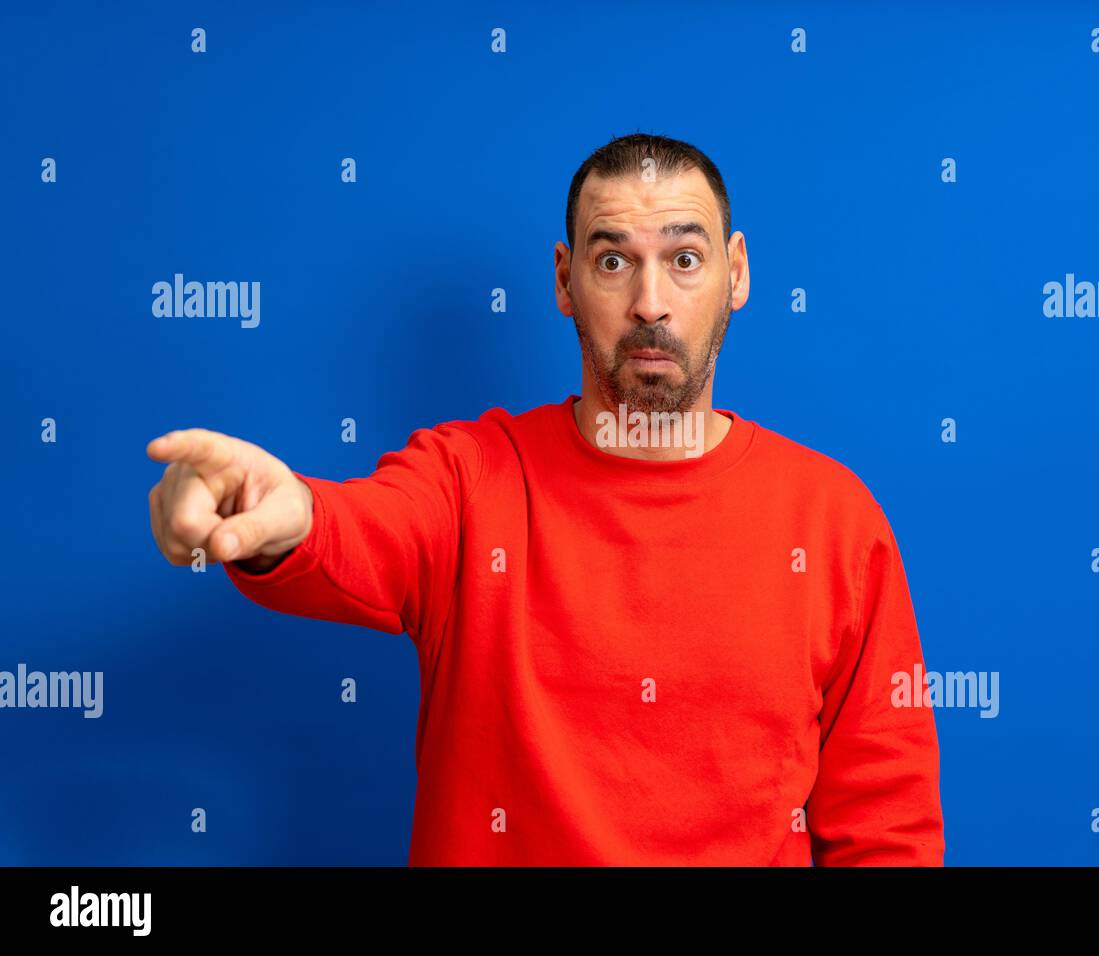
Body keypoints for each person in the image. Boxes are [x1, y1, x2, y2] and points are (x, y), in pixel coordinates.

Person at [145, 132, 945, 866]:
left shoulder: (833, 518)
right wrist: (286, 520)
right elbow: (360, 530)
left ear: (738, 272)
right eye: (613, 261)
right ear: (564, 280)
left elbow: (887, 825)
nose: (651, 304)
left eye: (685, 259)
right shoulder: (468, 480)